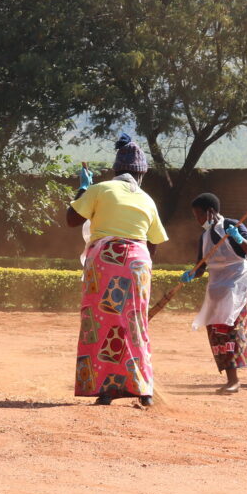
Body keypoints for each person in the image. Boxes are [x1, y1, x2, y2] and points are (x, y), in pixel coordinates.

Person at [64, 134, 168, 407]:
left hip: (105, 262)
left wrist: (83, 191)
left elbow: (72, 220)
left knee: (101, 323)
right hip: (138, 262)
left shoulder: (101, 189)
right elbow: (153, 243)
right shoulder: (147, 199)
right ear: (140, 174)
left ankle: (106, 390)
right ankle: (144, 391)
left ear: (116, 171)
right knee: (136, 324)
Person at [184, 192, 247, 394]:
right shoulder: (204, 236)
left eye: (199, 215)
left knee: (231, 330)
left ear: (210, 212)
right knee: (216, 331)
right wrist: (192, 274)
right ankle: (229, 377)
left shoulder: (232, 225)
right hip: (217, 287)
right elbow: (201, 267)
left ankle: (234, 381)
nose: (197, 220)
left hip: (238, 284)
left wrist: (239, 238)